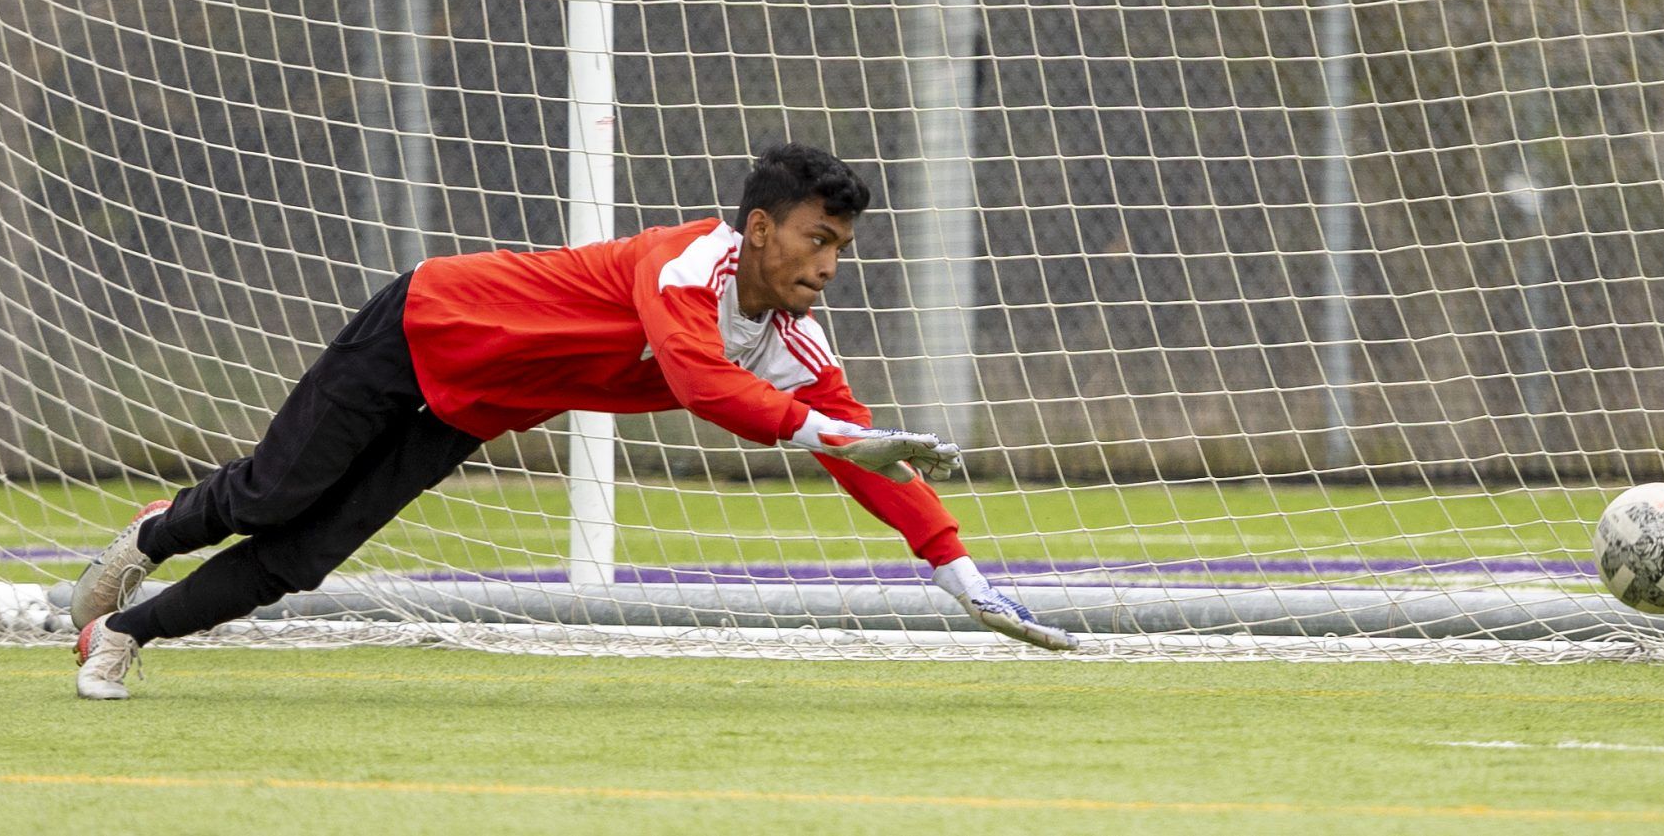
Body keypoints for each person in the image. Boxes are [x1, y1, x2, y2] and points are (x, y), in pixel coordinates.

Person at [69, 143, 1075, 699]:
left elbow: (866, 458)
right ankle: (154, 533)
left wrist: (962, 576)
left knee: (303, 556)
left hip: (468, 408)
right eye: (818, 239)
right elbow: (704, 385)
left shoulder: (794, 339)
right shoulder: (687, 268)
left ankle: (121, 632)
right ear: (761, 229)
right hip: (421, 326)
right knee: (270, 493)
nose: (828, 265)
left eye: (842, 248)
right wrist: (828, 435)